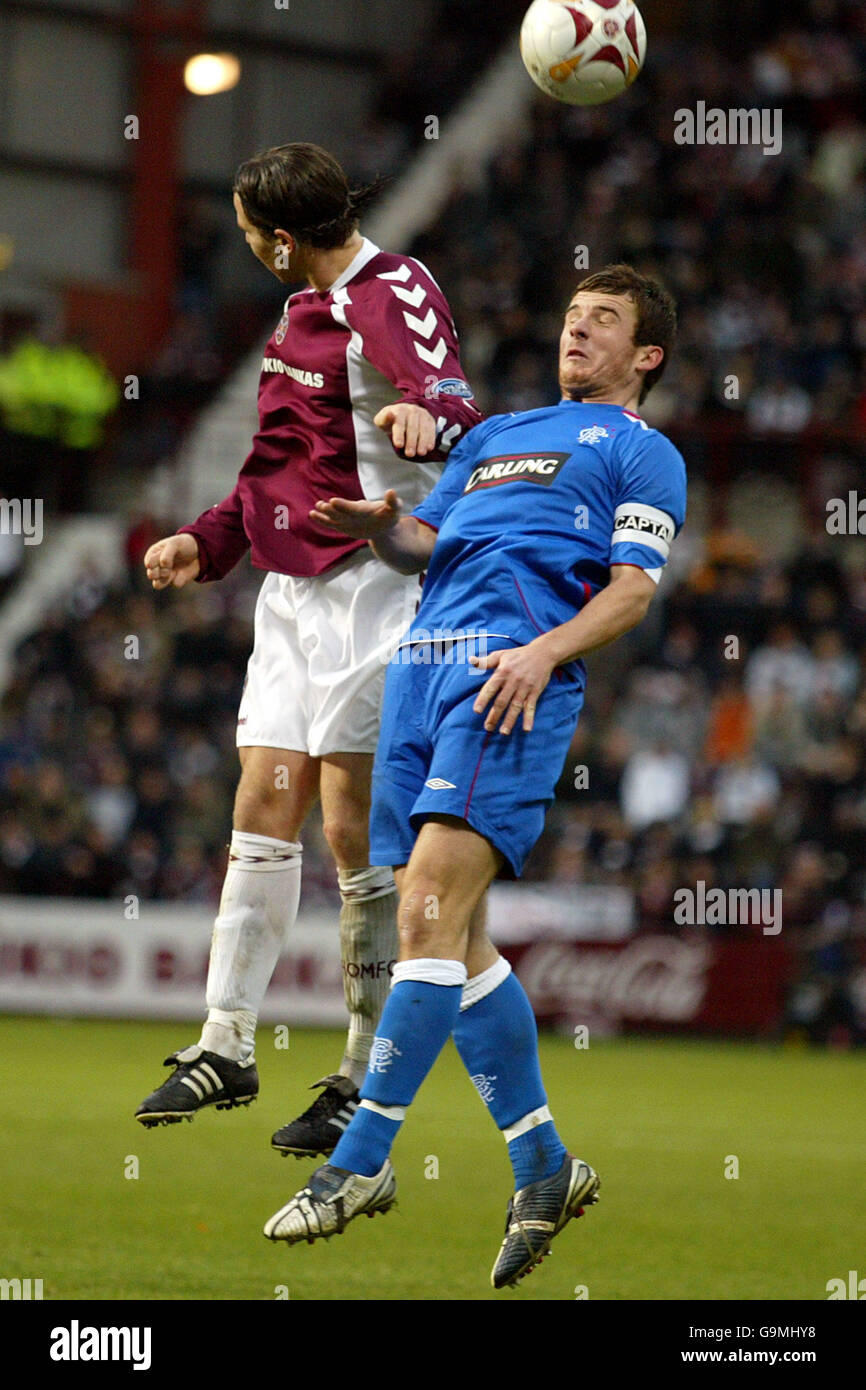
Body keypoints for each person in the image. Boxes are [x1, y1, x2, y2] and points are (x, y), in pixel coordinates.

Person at [263, 265, 687, 1288]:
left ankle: (356, 1165)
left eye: (603, 322)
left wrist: (543, 654)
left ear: (646, 357)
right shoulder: (494, 436)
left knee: (421, 916)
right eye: (571, 313)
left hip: (505, 679)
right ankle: (542, 1168)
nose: (575, 330)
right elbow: (425, 542)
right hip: (417, 676)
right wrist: (382, 525)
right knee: (456, 939)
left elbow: (630, 592)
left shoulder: (641, 451)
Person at [135, 143, 481, 1152]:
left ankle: (359, 1069)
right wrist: (204, 541)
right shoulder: (293, 320)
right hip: (293, 598)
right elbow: (267, 473)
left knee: (346, 829)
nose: (249, 249)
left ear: (281, 237)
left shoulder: (394, 287)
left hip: (383, 586)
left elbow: (455, 398)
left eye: (251, 234)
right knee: (260, 802)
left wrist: (428, 411)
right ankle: (226, 1042)